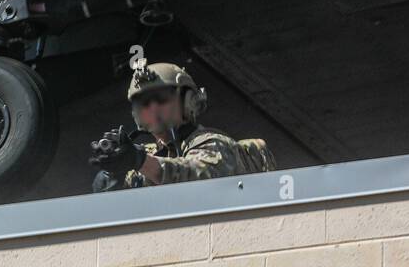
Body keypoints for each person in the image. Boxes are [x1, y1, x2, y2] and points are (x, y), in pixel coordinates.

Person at [89, 62, 275, 189]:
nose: (152, 107)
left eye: (161, 98)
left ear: (188, 102)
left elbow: (198, 176)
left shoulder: (215, 143)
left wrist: (139, 161)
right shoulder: (146, 155)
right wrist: (113, 172)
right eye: (143, 102)